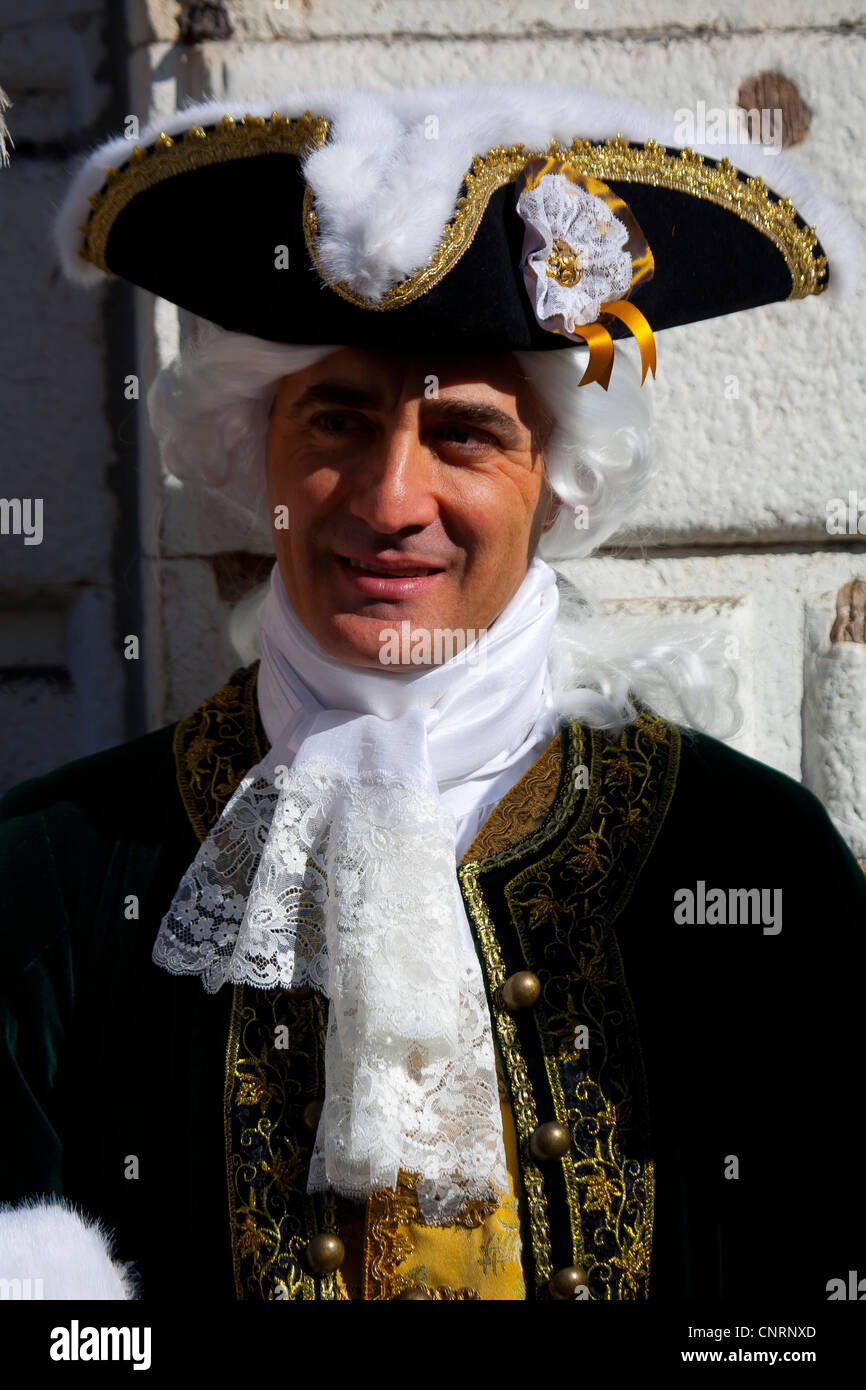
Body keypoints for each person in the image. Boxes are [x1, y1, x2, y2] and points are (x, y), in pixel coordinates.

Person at [1, 81, 864, 1303]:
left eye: (462, 431)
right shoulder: (48, 884)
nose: (389, 497)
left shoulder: (744, 857)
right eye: (338, 420)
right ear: (258, 450)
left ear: (552, 480)